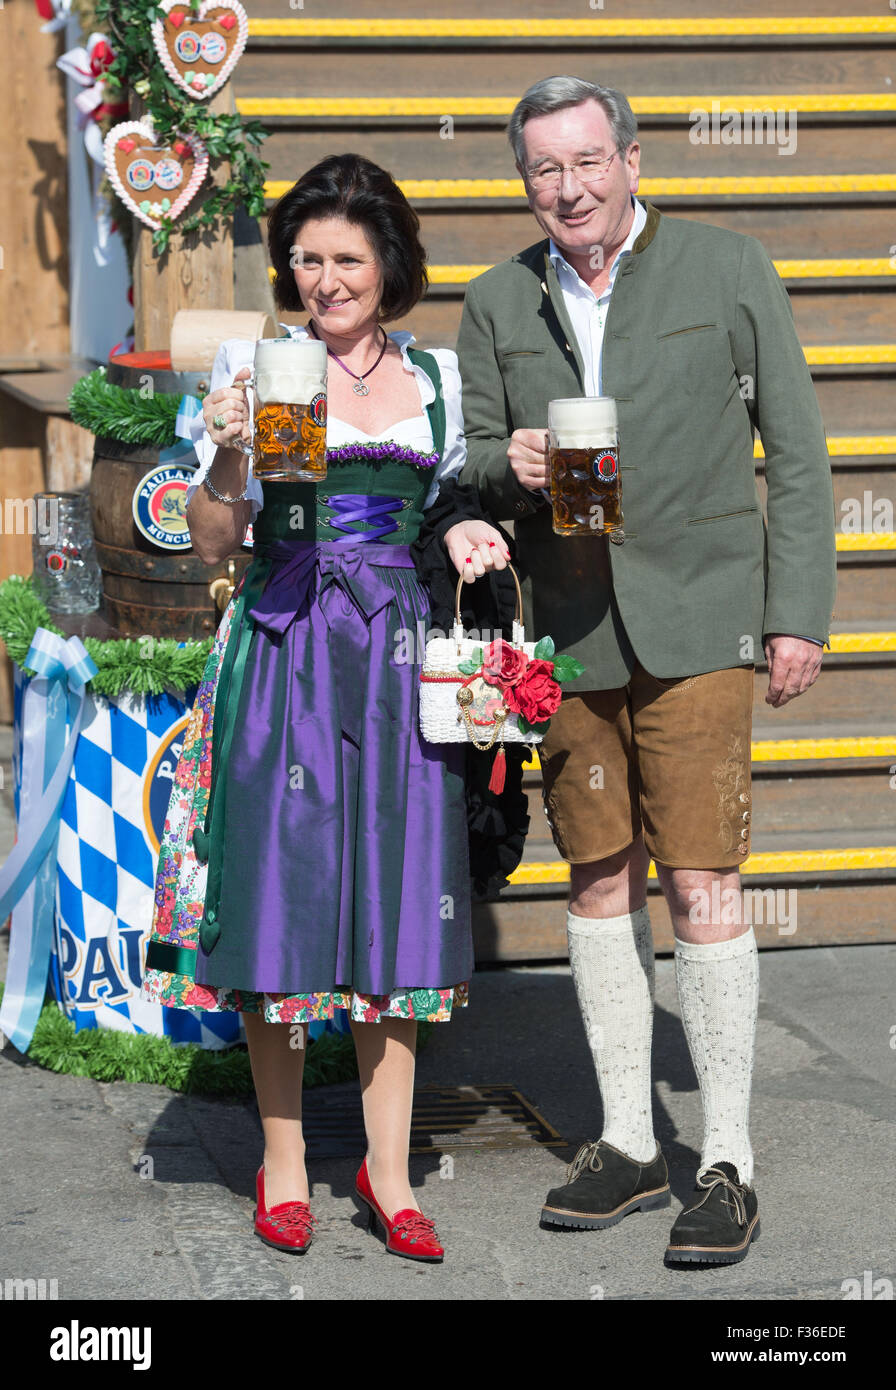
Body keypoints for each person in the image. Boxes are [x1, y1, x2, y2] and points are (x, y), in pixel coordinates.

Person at [457, 77, 836, 1266]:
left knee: (705, 880)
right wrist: (500, 465)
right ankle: (625, 1140)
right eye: (541, 171)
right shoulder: (496, 297)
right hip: (567, 636)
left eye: (583, 162)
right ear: (523, 180)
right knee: (594, 879)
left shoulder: (728, 268)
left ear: (628, 159)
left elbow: (803, 455)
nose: (564, 188)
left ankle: (724, 1159)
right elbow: (462, 455)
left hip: (703, 623)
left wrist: (795, 618)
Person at [141, 153, 509, 1262]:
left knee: (400, 900)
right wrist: (231, 450)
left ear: (387, 263)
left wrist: (456, 530)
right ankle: (286, 1159)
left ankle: (389, 1173)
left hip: (398, 651)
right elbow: (211, 541)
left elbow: (444, 501)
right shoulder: (257, 373)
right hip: (285, 639)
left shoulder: (436, 377)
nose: (324, 278)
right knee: (281, 894)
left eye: (346, 257)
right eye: (306, 257)